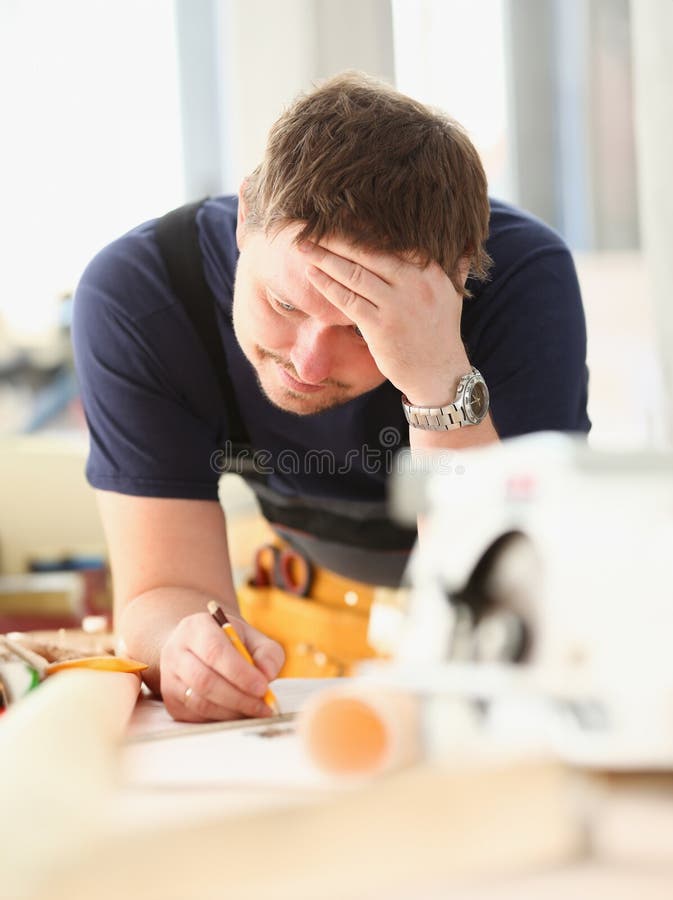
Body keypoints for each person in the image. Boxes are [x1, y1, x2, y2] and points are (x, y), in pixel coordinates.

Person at [72, 72, 590, 722]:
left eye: (359, 327)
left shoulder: (521, 281)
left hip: (474, 620)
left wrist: (436, 376)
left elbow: (510, 598)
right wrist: (185, 648)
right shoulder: (142, 296)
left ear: (456, 281)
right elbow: (160, 592)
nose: (306, 361)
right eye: (282, 302)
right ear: (244, 218)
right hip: (307, 605)